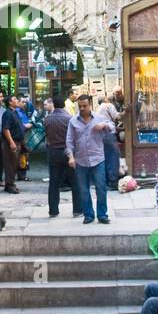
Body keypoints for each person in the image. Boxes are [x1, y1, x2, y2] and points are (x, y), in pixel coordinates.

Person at [66, 94, 113, 224]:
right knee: (84, 190)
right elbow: (69, 141)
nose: (82, 108)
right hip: (80, 160)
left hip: (98, 159)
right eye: (79, 106)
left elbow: (112, 127)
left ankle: (102, 215)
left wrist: (104, 125)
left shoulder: (99, 118)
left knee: (101, 188)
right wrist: (71, 157)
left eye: (84, 106)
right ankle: (88, 215)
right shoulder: (73, 121)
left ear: (90, 105)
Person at [43, 98, 81, 218]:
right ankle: (77, 210)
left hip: (53, 151)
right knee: (75, 181)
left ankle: (53, 211)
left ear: (54, 104)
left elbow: (46, 134)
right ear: (64, 105)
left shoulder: (47, 119)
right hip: (67, 151)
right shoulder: (69, 118)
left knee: (54, 182)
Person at [96, 96, 122, 191]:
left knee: (106, 158)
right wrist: (126, 112)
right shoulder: (108, 105)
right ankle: (113, 182)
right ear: (104, 100)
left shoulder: (98, 109)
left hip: (102, 136)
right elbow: (117, 116)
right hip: (109, 135)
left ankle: (106, 181)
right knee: (113, 158)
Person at [0, 95, 24, 194]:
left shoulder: (15, 112)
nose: (17, 101)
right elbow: (6, 129)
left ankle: (9, 184)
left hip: (17, 141)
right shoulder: (7, 114)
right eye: (15, 99)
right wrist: (11, 142)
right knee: (10, 164)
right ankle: (10, 185)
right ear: (10, 102)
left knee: (14, 164)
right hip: (11, 142)